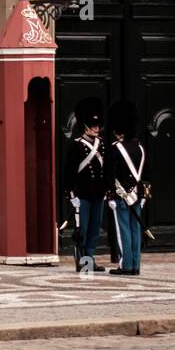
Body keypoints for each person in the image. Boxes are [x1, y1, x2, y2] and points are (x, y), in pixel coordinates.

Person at [105, 101, 148, 276]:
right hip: (137, 195)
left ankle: (126, 265)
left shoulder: (115, 148)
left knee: (123, 231)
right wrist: (143, 196)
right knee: (135, 230)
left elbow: (109, 175)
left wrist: (110, 195)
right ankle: (136, 264)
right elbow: (147, 174)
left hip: (120, 196)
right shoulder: (140, 147)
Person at [64, 98, 106, 272]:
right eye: (93, 125)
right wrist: (71, 194)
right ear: (86, 126)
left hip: (98, 193)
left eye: (98, 125)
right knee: (83, 229)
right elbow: (69, 172)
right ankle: (82, 261)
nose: (97, 128)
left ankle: (89, 259)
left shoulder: (101, 144)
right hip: (83, 193)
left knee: (94, 229)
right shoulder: (76, 145)